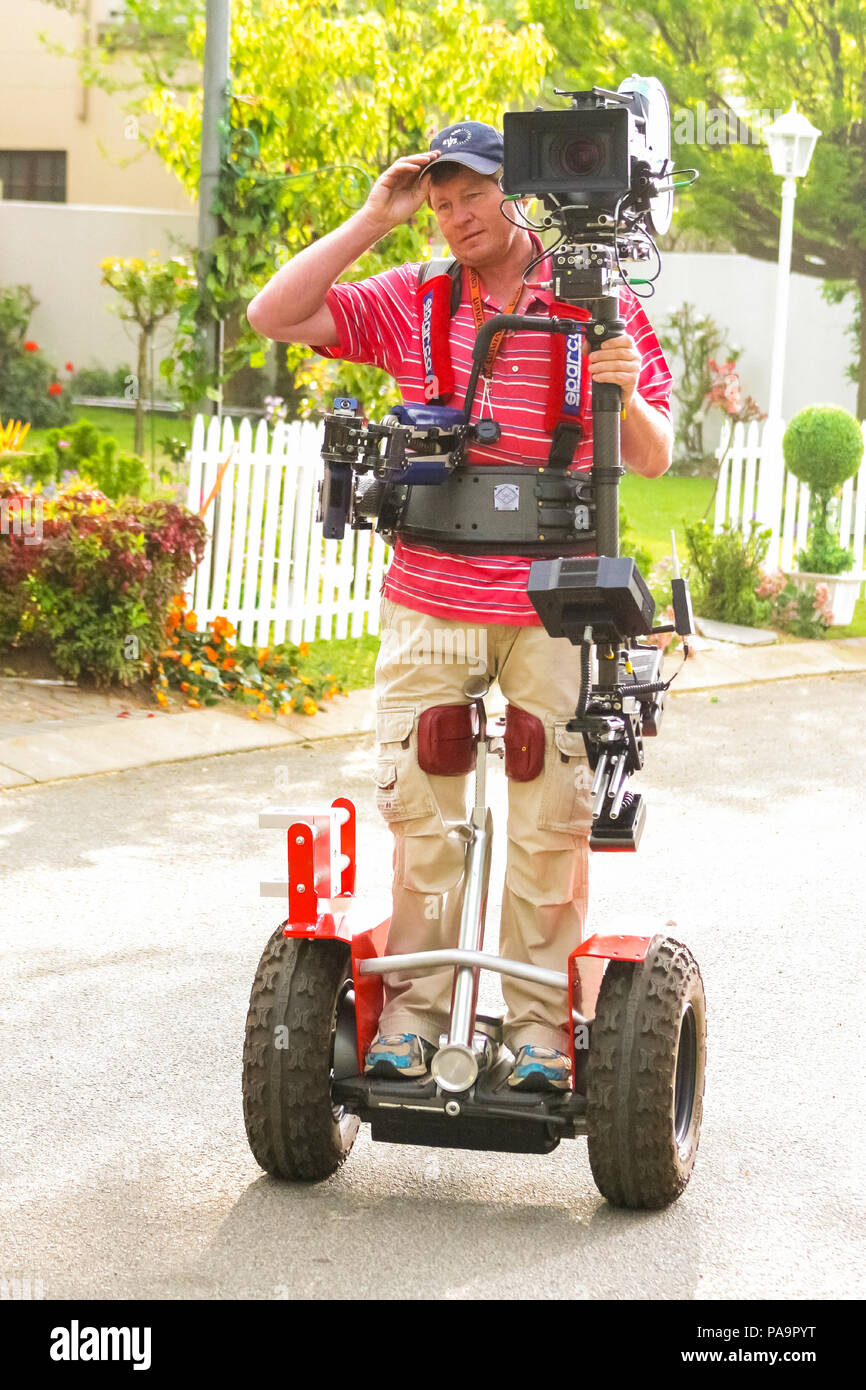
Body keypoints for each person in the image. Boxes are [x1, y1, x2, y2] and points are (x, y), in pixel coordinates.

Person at [247, 121, 673, 1092]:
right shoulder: (411, 299)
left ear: (510, 192)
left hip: (552, 603)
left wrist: (621, 390)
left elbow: (650, 454)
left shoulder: (592, 302)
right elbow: (274, 312)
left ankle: (535, 1030)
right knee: (424, 811)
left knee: (547, 814)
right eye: (436, 202)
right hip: (430, 595)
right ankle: (411, 1015)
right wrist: (373, 215)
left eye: (466, 195)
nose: (451, 217)